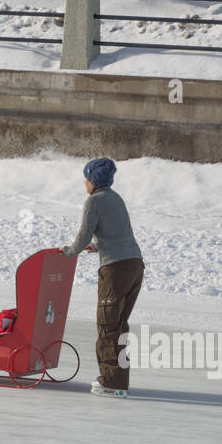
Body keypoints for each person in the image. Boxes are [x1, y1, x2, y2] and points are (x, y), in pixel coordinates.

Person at [61, 158, 144, 398]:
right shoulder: (115, 198)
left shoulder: (93, 202)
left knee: (107, 325)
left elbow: (83, 235)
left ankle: (111, 382)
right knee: (118, 325)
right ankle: (119, 380)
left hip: (115, 270)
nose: (84, 183)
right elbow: (120, 234)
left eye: (86, 178)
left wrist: (69, 253)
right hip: (135, 265)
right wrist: (98, 247)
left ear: (93, 180)